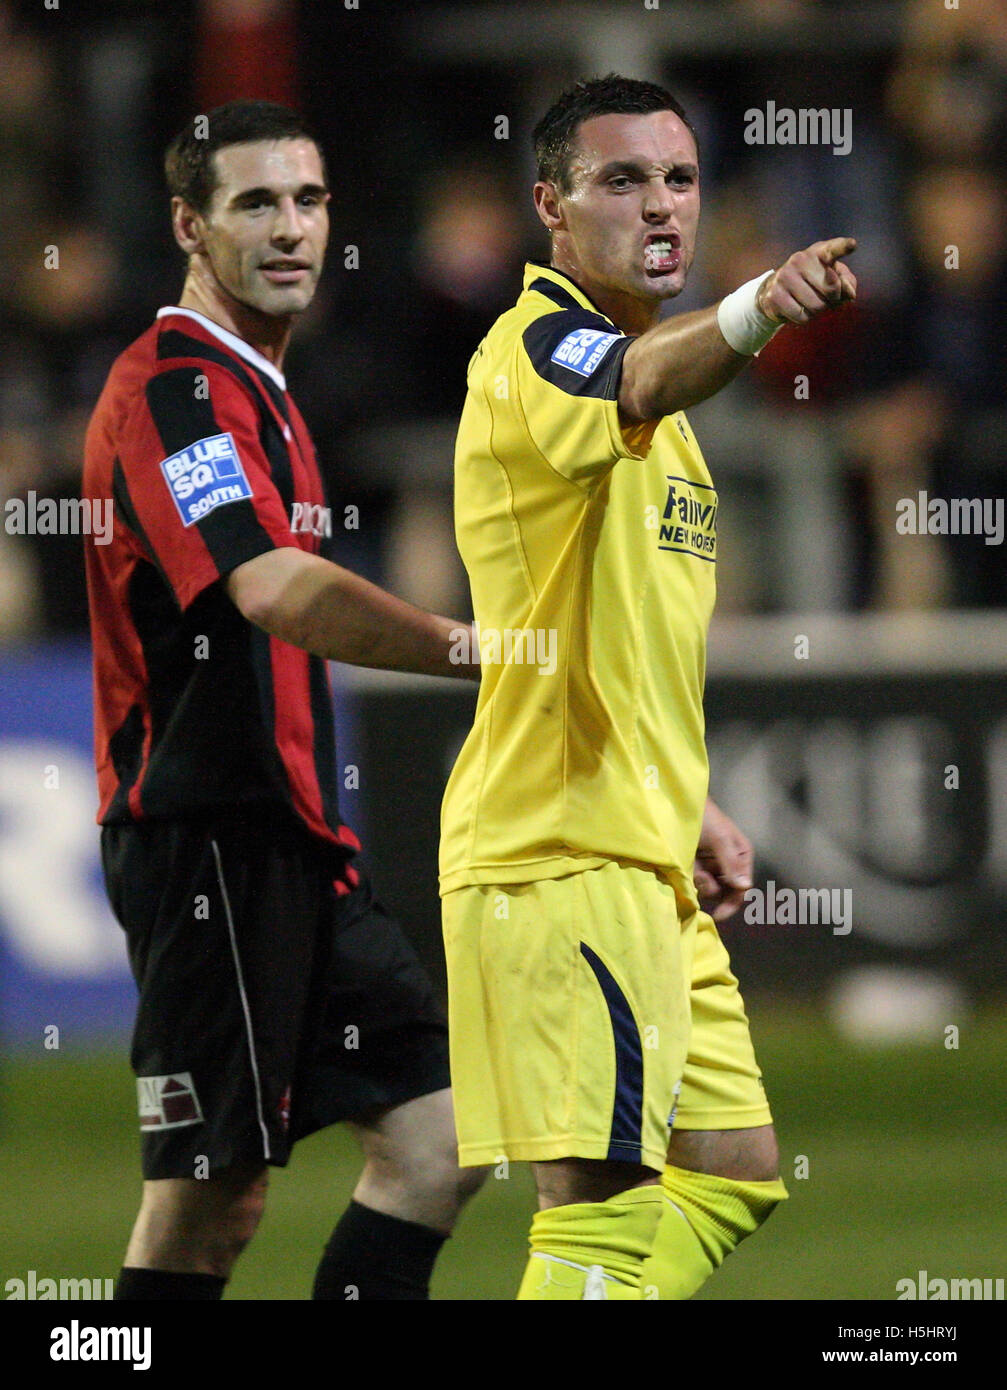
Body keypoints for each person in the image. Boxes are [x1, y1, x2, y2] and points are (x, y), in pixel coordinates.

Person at [440, 74, 857, 1299]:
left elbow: (618, 637)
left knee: (731, 1172)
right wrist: (753, 308)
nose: (660, 205)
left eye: (677, 178)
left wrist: (690, 799)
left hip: (641, 841)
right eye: (621, 180)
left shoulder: (666, 412)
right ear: (551, 208)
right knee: (597, 1212)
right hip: (557, 850)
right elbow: (629, 377)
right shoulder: (539, 350)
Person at [82, 99, 484, 1302]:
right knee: (208, 1205)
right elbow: (269, 586)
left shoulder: (259, 384)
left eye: (308, 201)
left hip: (295, 839)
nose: (292, 227)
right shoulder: (176, 392)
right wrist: (478, 649)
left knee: (438, 1146)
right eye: (255, 202)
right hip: (205, 838)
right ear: (188, 226)